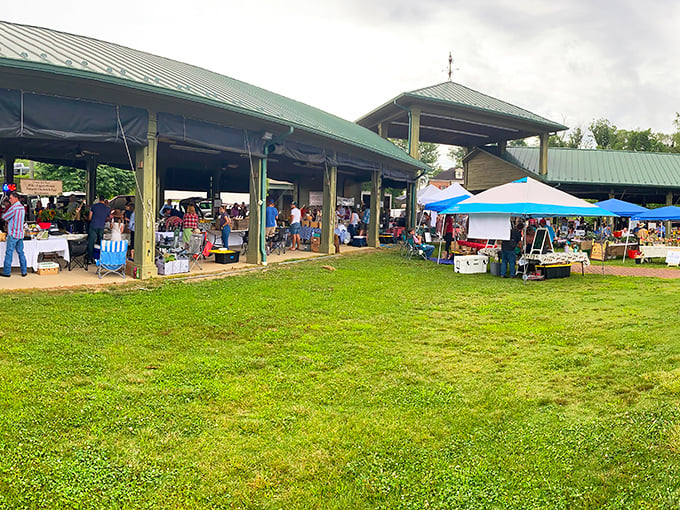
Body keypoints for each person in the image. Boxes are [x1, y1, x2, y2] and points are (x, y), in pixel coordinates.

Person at [2, 191, 28, 277]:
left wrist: (9, 220)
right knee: (21, 252)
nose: (9, 200)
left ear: (16, 198)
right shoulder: (22, 207)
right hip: (20, 233)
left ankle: (6, 272)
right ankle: (24, 271)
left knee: (9, 253)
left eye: (10, 198)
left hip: (13, 233)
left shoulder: (14, 208)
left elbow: (4, 217)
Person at [87, 195, 111, 262]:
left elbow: (89, 217)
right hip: (101, 226)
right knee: (100, 242)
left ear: (99, 199)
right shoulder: (107, 208)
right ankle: (100, 258)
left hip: (93, 225)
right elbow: (108, 218)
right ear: (104, 200)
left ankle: (89, 258)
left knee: (91, 242)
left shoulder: (94, 206)